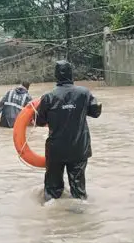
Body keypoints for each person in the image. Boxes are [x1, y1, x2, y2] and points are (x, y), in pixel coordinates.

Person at [35, 61, 102, 201]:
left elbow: (39, 121)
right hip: (79, 148)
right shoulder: (84, 93)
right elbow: (95, 112)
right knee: (79, 191)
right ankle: (79, 216)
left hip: (56, 150)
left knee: (52, 191)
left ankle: (52, 217)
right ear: (72, 74)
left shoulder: (48, 97)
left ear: (56, 75)